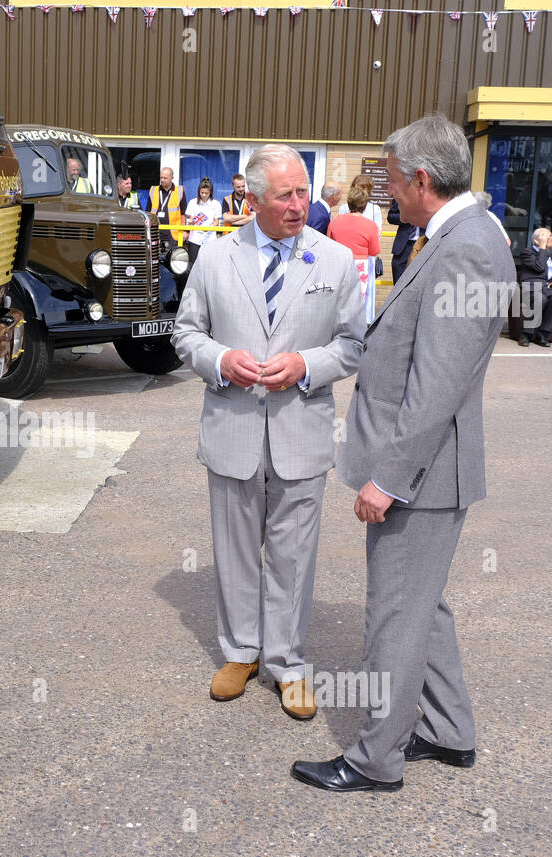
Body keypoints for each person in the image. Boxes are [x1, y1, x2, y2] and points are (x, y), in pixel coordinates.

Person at [291, 114, 514, 792]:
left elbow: (437, 386)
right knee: (423, 605)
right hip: (430, 470)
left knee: (393, 613)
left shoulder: (467, 247)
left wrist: (387, 478)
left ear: (422, 179)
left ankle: (374, 759)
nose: (385, 193)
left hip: (419, 473)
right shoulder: (456, 235)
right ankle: (447, 732)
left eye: (390, 181)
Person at [170, 144, 365, 719]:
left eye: (304, 191)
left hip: (300, 432)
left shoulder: (332, 261)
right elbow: (186, 335)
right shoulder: (215, 257)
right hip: (232, 428)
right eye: (285, 195)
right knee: (233, 552)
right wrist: (220, 359)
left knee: (294, 556)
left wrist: (307, 366)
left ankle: (286, 662)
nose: (299, 204)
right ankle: (240, 651)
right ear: (251, 199)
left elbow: (353, 345)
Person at [328, 185, 382, 321]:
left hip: (338, 263)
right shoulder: (370, 225)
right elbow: (375, 250)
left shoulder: (335, 221)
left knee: (338, 299)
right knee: (358, 302)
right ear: (364, 205)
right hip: (360, 266)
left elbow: (328, 244)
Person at [514, 227, 552, 347]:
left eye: (551, 236)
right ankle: (526, 334)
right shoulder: (527, 252)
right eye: (548, 236)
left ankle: (543, 334)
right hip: (530, 288)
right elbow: (539, 267)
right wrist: (542, 248)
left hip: (546, 289)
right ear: (537, 240)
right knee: (541, 299)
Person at [183, 177, 222, 264]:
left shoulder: (216, 204)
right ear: (198, 191)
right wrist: (193, 222)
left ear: (211, 192)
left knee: (209, 264)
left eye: (206, 193)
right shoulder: (192, 202)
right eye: (202, 193)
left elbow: (216, 221)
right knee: (193, 264)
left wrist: (209, 227)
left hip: (210, 239)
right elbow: (191, 218)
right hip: (195, 238)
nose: (204, 195)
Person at [149, 167, 187, 246]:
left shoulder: (179, 191)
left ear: (172, 178)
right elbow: (148, 211)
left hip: (172, 234)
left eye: (165, 178)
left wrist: (183, 230)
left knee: (172, 257)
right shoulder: (153, 190)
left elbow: (183, 214)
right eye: (161, 177)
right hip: (155, 232)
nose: (162, 180)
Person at [387, 197, 420, 283]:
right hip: (404, 244)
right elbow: (391, 216)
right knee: (397, 269)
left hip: (423, 243)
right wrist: (406, 217)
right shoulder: (402, 193)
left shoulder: (430, 193)